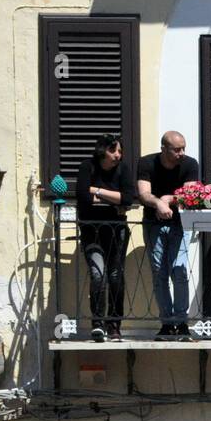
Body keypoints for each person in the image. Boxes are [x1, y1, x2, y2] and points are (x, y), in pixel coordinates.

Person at [136, 130, 200, 340]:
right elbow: (144, 194)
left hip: (180, 225)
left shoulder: (190, 164)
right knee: (159, 273)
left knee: (179, 270)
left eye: (184, 148)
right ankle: (167, 323)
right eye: (177, 149)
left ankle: (181, 322)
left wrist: (169, 199)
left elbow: (190, 194)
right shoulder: (146, 163)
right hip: (154, 224)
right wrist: (157, 202)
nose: (182, 153)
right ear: (164, 148)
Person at [74, 134, 135, 342]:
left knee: (116, 277)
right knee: (98, 274)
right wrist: (112, 198)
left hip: (116, 232)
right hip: (92, 231)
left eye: (120, 151)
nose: (118, 155)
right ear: (102, 151)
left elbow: (128, 198)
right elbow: (82, 195)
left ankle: (114, 325)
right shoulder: (87, 167)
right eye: (113, 151)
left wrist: (96, 191)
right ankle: (98, 323)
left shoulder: (123, 169)